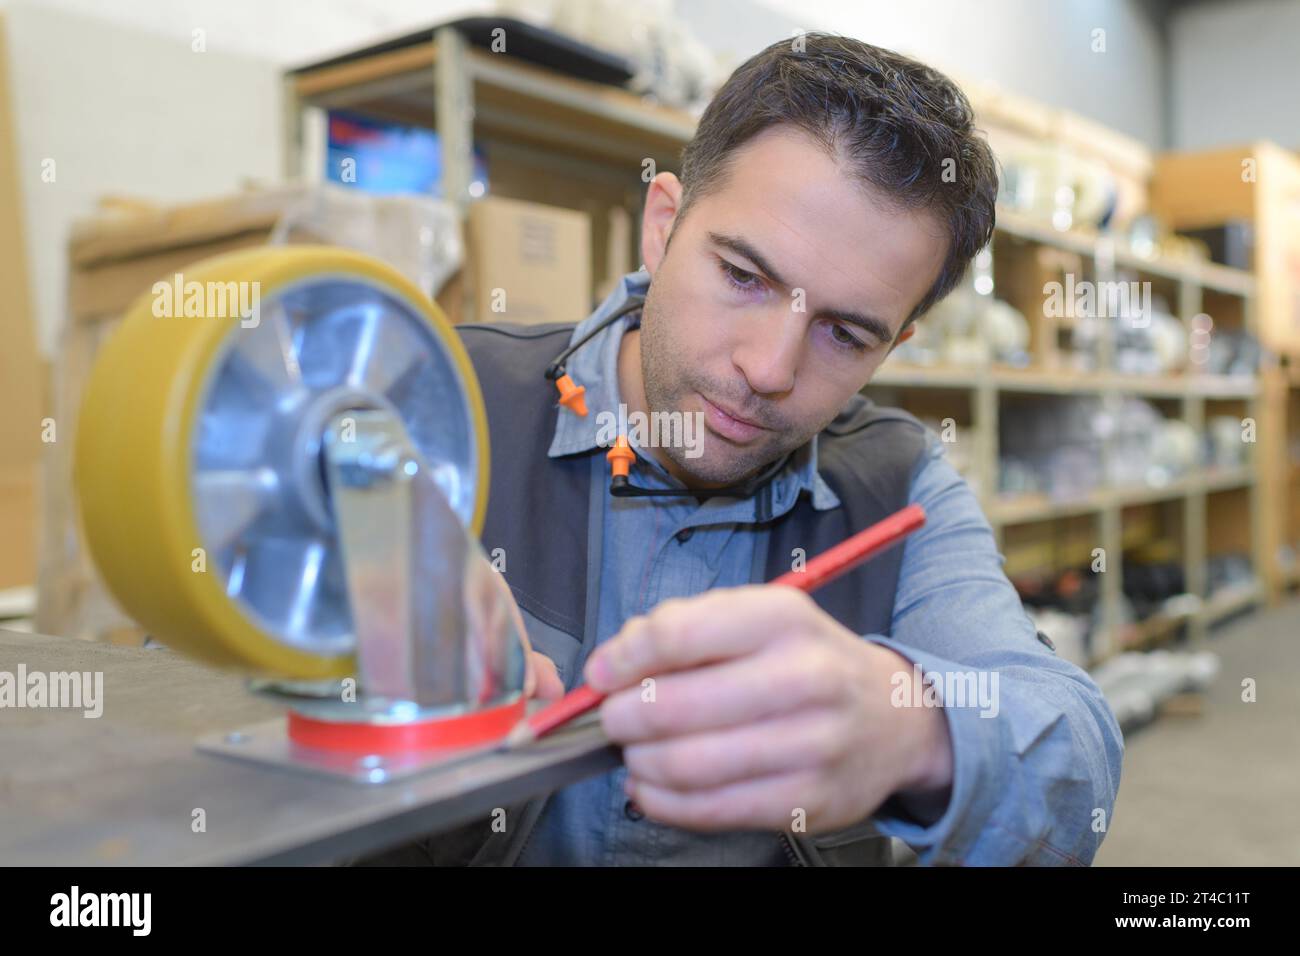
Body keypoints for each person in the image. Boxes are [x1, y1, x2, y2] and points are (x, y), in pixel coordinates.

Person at [366, 31, 1123, 867]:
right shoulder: (440, 397)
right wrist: (355, 638)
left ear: (895, 344)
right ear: (663, 226)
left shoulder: (900, 484)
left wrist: (915, 732)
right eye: (742, 276)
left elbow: (1075, 758)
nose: (768, 369)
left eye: (843, 332)